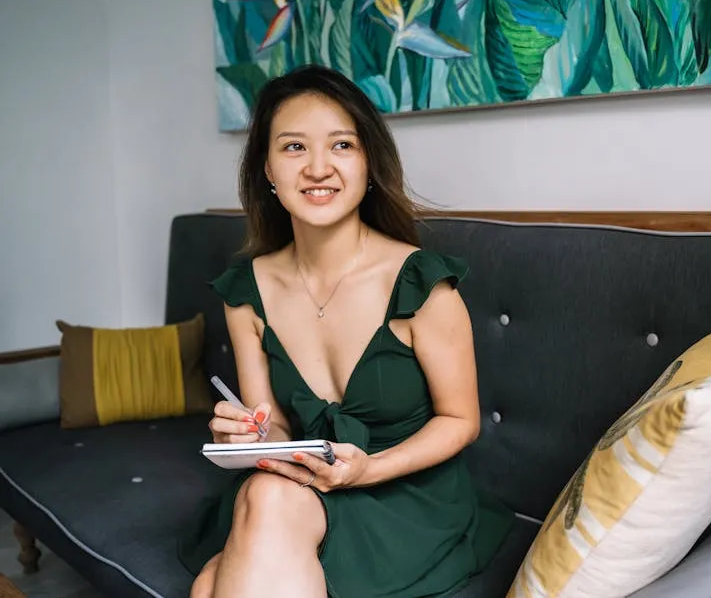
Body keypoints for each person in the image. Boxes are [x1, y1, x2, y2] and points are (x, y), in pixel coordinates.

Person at [177, 65, 514, 597]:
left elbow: (461, 420)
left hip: (403, 493)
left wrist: (368, 469)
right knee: (263, 496)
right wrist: (246, 437)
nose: (317, 168)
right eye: (293, 148)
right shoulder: (246, 293)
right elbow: (277, 431)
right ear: (266, 166)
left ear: (368, 163)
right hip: (302, 489)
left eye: (341, 145)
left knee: (210, 585)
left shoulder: (423, 285)